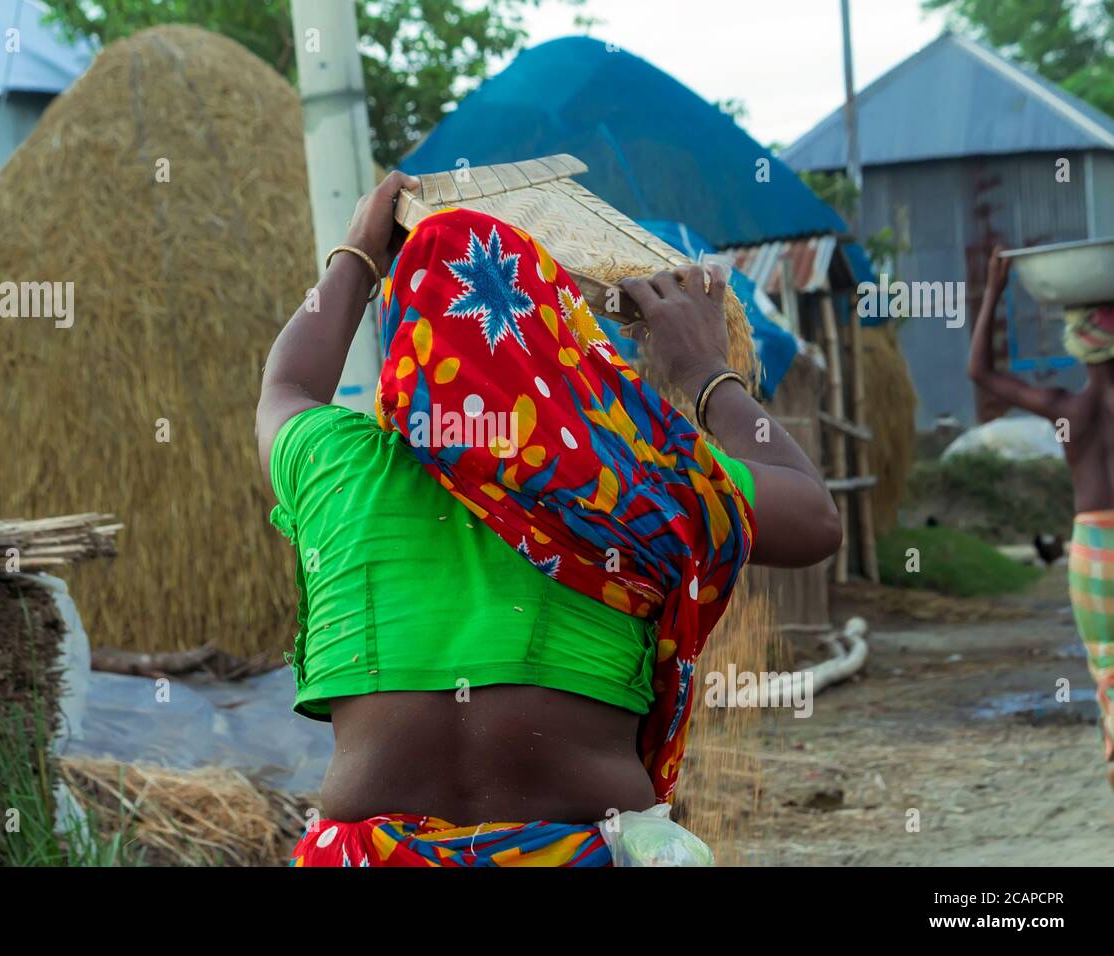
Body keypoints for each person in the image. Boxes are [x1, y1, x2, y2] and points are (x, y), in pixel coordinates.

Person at [256, 172, 841, 866]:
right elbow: (814, 516)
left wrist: (358, 253)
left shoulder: (340, 473)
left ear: (404, 339)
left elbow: (287, 387)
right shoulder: (630, 482)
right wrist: (706, 371)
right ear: (560, 341)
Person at [969, 247, 1114, 785]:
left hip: (1092, 554)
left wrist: (994, 288)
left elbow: (979, 371)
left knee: (1108, 676)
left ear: (1081, 344)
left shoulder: (1066, 408)